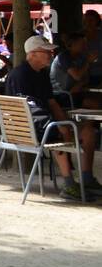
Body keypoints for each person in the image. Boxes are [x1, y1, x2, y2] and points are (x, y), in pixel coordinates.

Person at [7, 35, 97, 199]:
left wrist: (64, 122)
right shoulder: (19, 75)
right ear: (32, 54)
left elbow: (52, 102)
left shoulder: (42, 73)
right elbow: (27, 108)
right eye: (46, 52)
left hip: (42, 123)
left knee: (87, 131)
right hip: (25, 128)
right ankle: (69, 184)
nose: (51, 55)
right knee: (58, 132)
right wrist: (58, 125)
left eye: (51, 51)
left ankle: (87, 178)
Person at [50, 31, 94, 108]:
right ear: (72, 45)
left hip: (75, 93)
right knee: (96, 105)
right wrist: (88, 62)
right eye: (82, 44)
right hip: (62, 95)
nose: (85, 47)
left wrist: (79, 84)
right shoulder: (64, 57)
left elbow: (86, 78)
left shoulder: (80, 57)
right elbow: (77, 76)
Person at [84, 11, 102, 85]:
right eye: (86, 20)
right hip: (83, 73)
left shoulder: (101, 34)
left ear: (97, 21)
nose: (88, 23)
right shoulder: (79, 35)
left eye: (91, 20)